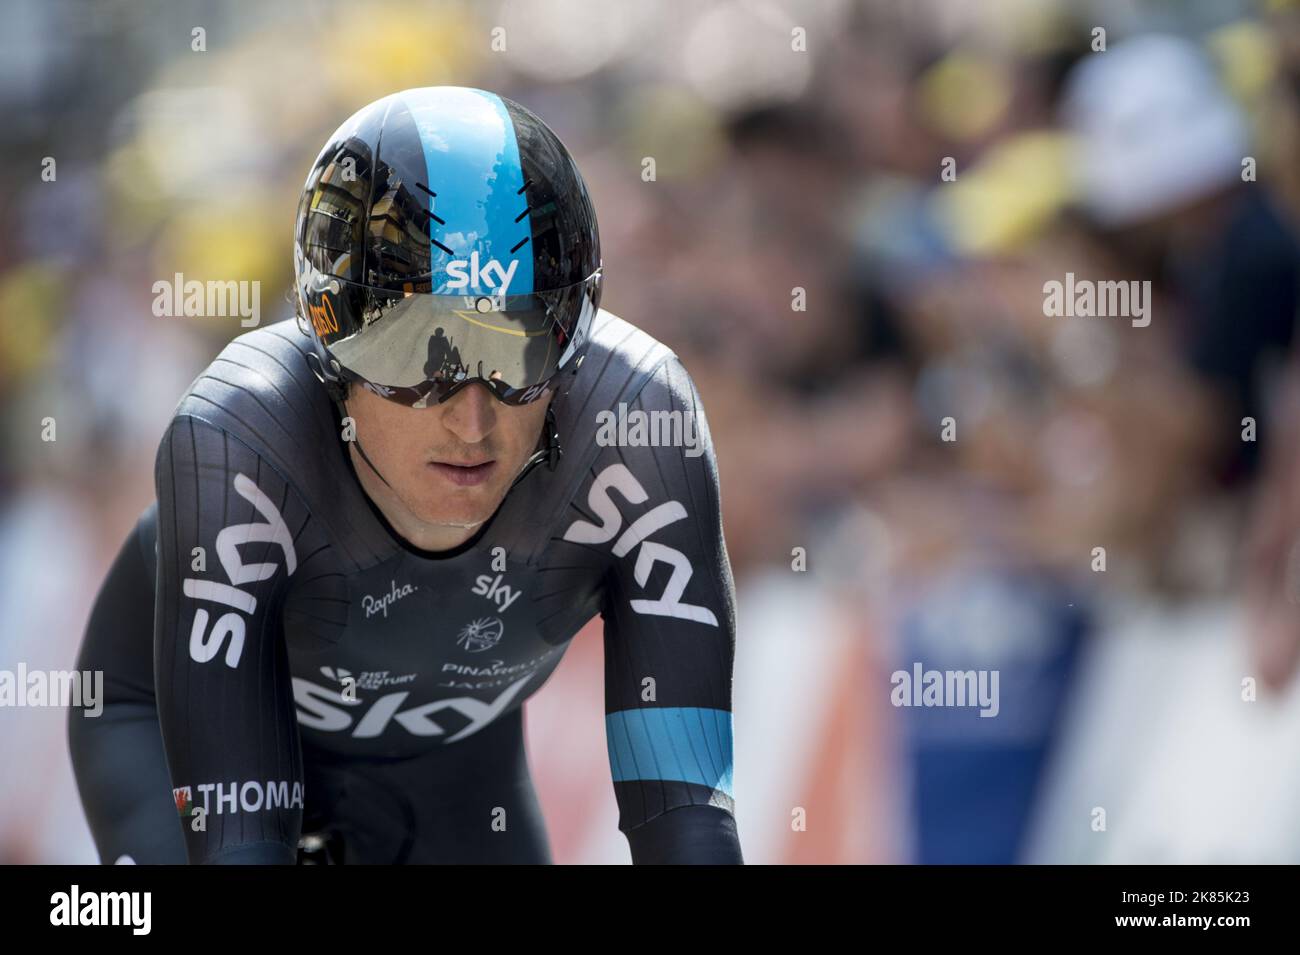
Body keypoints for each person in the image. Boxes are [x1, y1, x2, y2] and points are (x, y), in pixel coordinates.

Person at [68, 86, 742, 864]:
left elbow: (688, 818)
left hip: (454, 765)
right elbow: (237, 848)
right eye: (419, 357)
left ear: (572, 341)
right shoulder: (238, 440)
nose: (470, 420)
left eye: (516, 351)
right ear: (329, 346)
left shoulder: (641, 427)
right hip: (172, 734)